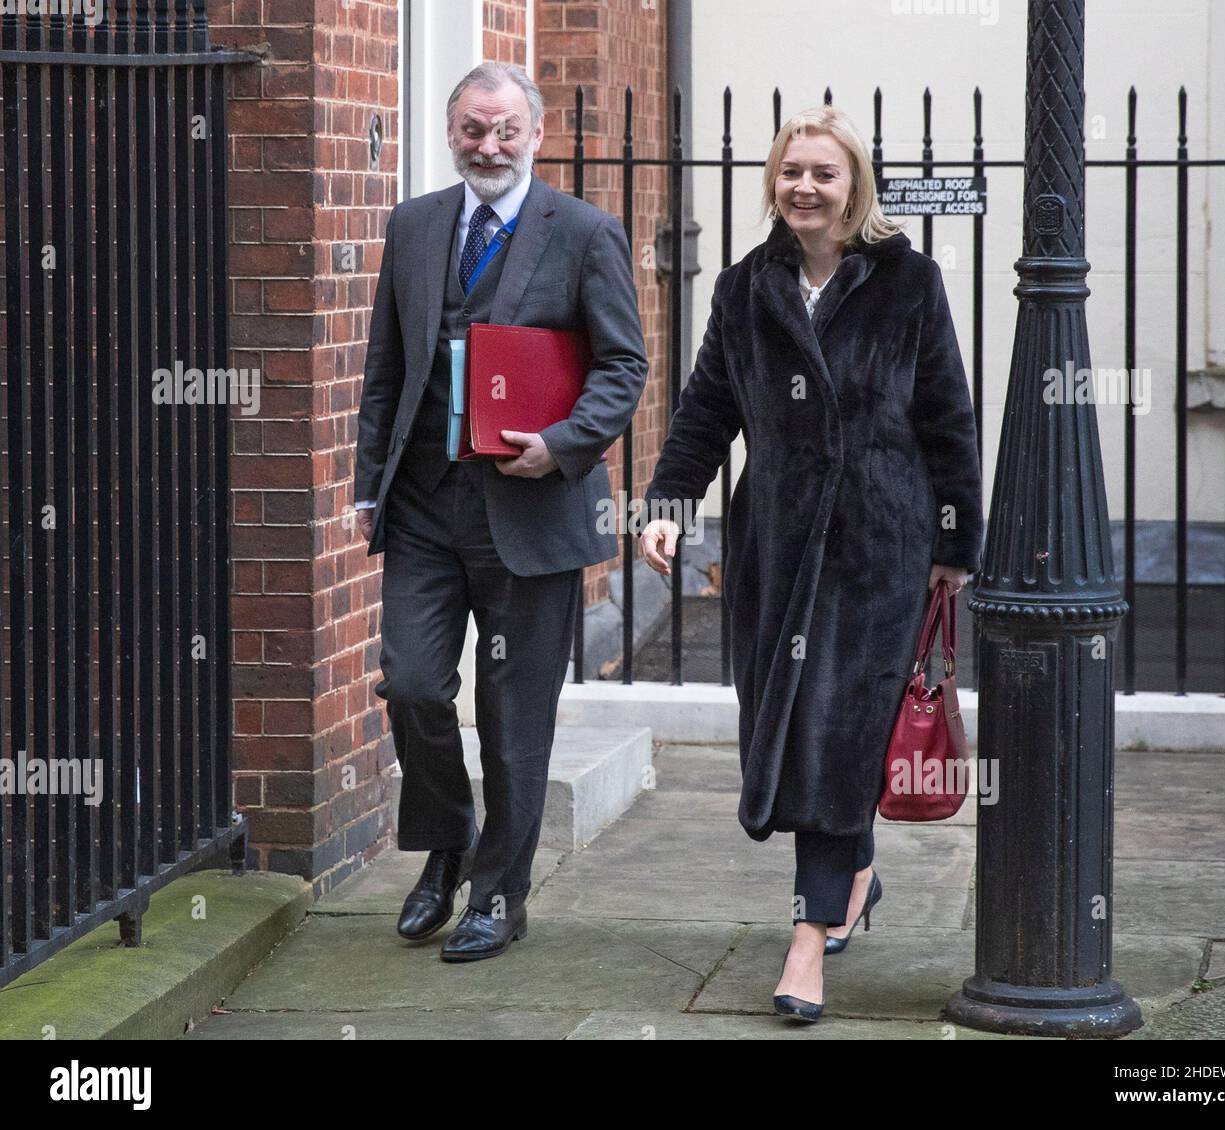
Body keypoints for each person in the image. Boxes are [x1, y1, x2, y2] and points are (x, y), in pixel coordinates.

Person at [639, 106, 983, 1021]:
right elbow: (707, 407)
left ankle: (806, 943)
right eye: (791, 172)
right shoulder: (748, 287)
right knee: (797, 728)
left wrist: (954, 544)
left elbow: (948, 415)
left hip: (880, 544)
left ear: (853, 185)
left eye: (823, 174)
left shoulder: (909, 283)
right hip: (778, 544)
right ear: (774, 182)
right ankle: (852, 879)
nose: (805, 188)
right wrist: (670, 506)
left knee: (837, 729)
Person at [353, 62, 648, 962]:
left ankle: (499, 895)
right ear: (452, 132)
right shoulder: (413, 225)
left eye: (505, 130)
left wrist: (560, 445)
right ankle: (446, 847)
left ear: (535, 133)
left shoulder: (586, 232)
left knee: (516, 717)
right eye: (474, 129)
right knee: (410, 684)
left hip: (529, 511)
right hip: (421, 508)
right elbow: (385, 366)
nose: (489, 146)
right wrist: (368, 484)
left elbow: (624, 367)